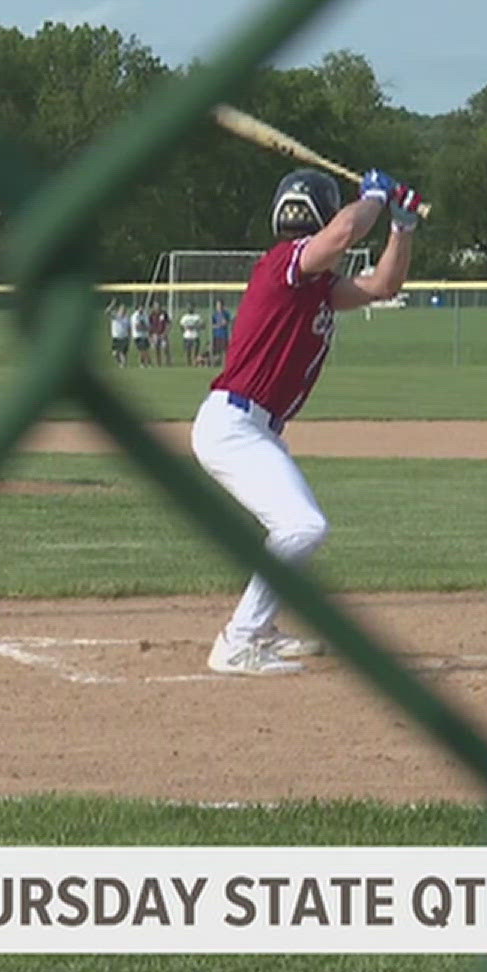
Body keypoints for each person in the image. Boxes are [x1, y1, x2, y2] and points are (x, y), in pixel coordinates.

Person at [190, 166, 423, 674]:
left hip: (254, 429)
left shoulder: (316, 285)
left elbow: (384, 284)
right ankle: (239, 641)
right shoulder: (286, 263)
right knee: (302, 525)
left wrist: (401, 227)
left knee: (290, 526)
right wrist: (376, 198)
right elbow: (342, 233)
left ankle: (261, 628)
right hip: (233, 425)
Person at [107, 301, 130, 368]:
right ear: (119, 310)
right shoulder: (115, 316)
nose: (122, 311)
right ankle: (121, 364)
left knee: (122, 353)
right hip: (116, 337)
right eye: (121, 309)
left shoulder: (126, 318)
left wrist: (129, 337)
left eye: (124, 309)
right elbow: (107, 312)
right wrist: (111, 305)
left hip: (124, 337)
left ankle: (124, 365)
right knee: (115, 353)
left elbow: (129, 328)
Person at [209, 300, 232, 366]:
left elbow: (226, 323)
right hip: (217, 334)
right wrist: (218, 325)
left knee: (225, 350)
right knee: (217, 350)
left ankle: (224, 364)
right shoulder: (215, 314)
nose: (219, 307)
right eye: (217, 305)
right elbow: (212, 325)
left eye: (220, 305)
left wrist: (223, 318)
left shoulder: (226, 313)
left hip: (224, 334)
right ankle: (215, 363)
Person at [129, 302, 151, 367]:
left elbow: (148, 326)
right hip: (138, 336)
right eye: (140, 307)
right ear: (137, 308)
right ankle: (146, 363)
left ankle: (143, 363)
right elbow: (137, 327)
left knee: (145, 349)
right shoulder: (135, 316)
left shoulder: (145, 315)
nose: (141, 309)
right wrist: (145, 328)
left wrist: (145, 328)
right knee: (142, 349)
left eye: (142, 307)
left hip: (145, 335)